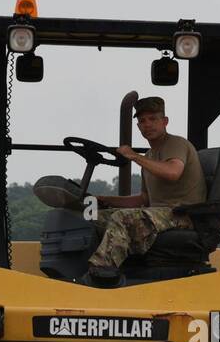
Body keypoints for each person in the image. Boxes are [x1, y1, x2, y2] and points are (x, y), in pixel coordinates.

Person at [85, 96, 206, 284]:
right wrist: (104, 200)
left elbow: (173, 172)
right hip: (160, 214)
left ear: (165, 121)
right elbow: (143, 199)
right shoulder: (149, 156)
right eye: (142, 121)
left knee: (123, 218)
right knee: (95, 217)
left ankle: (102, 273)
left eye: (153, 119)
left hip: (183, 214)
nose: (147, 124)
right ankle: (83, 267)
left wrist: (134, 156)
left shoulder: (176, 144)